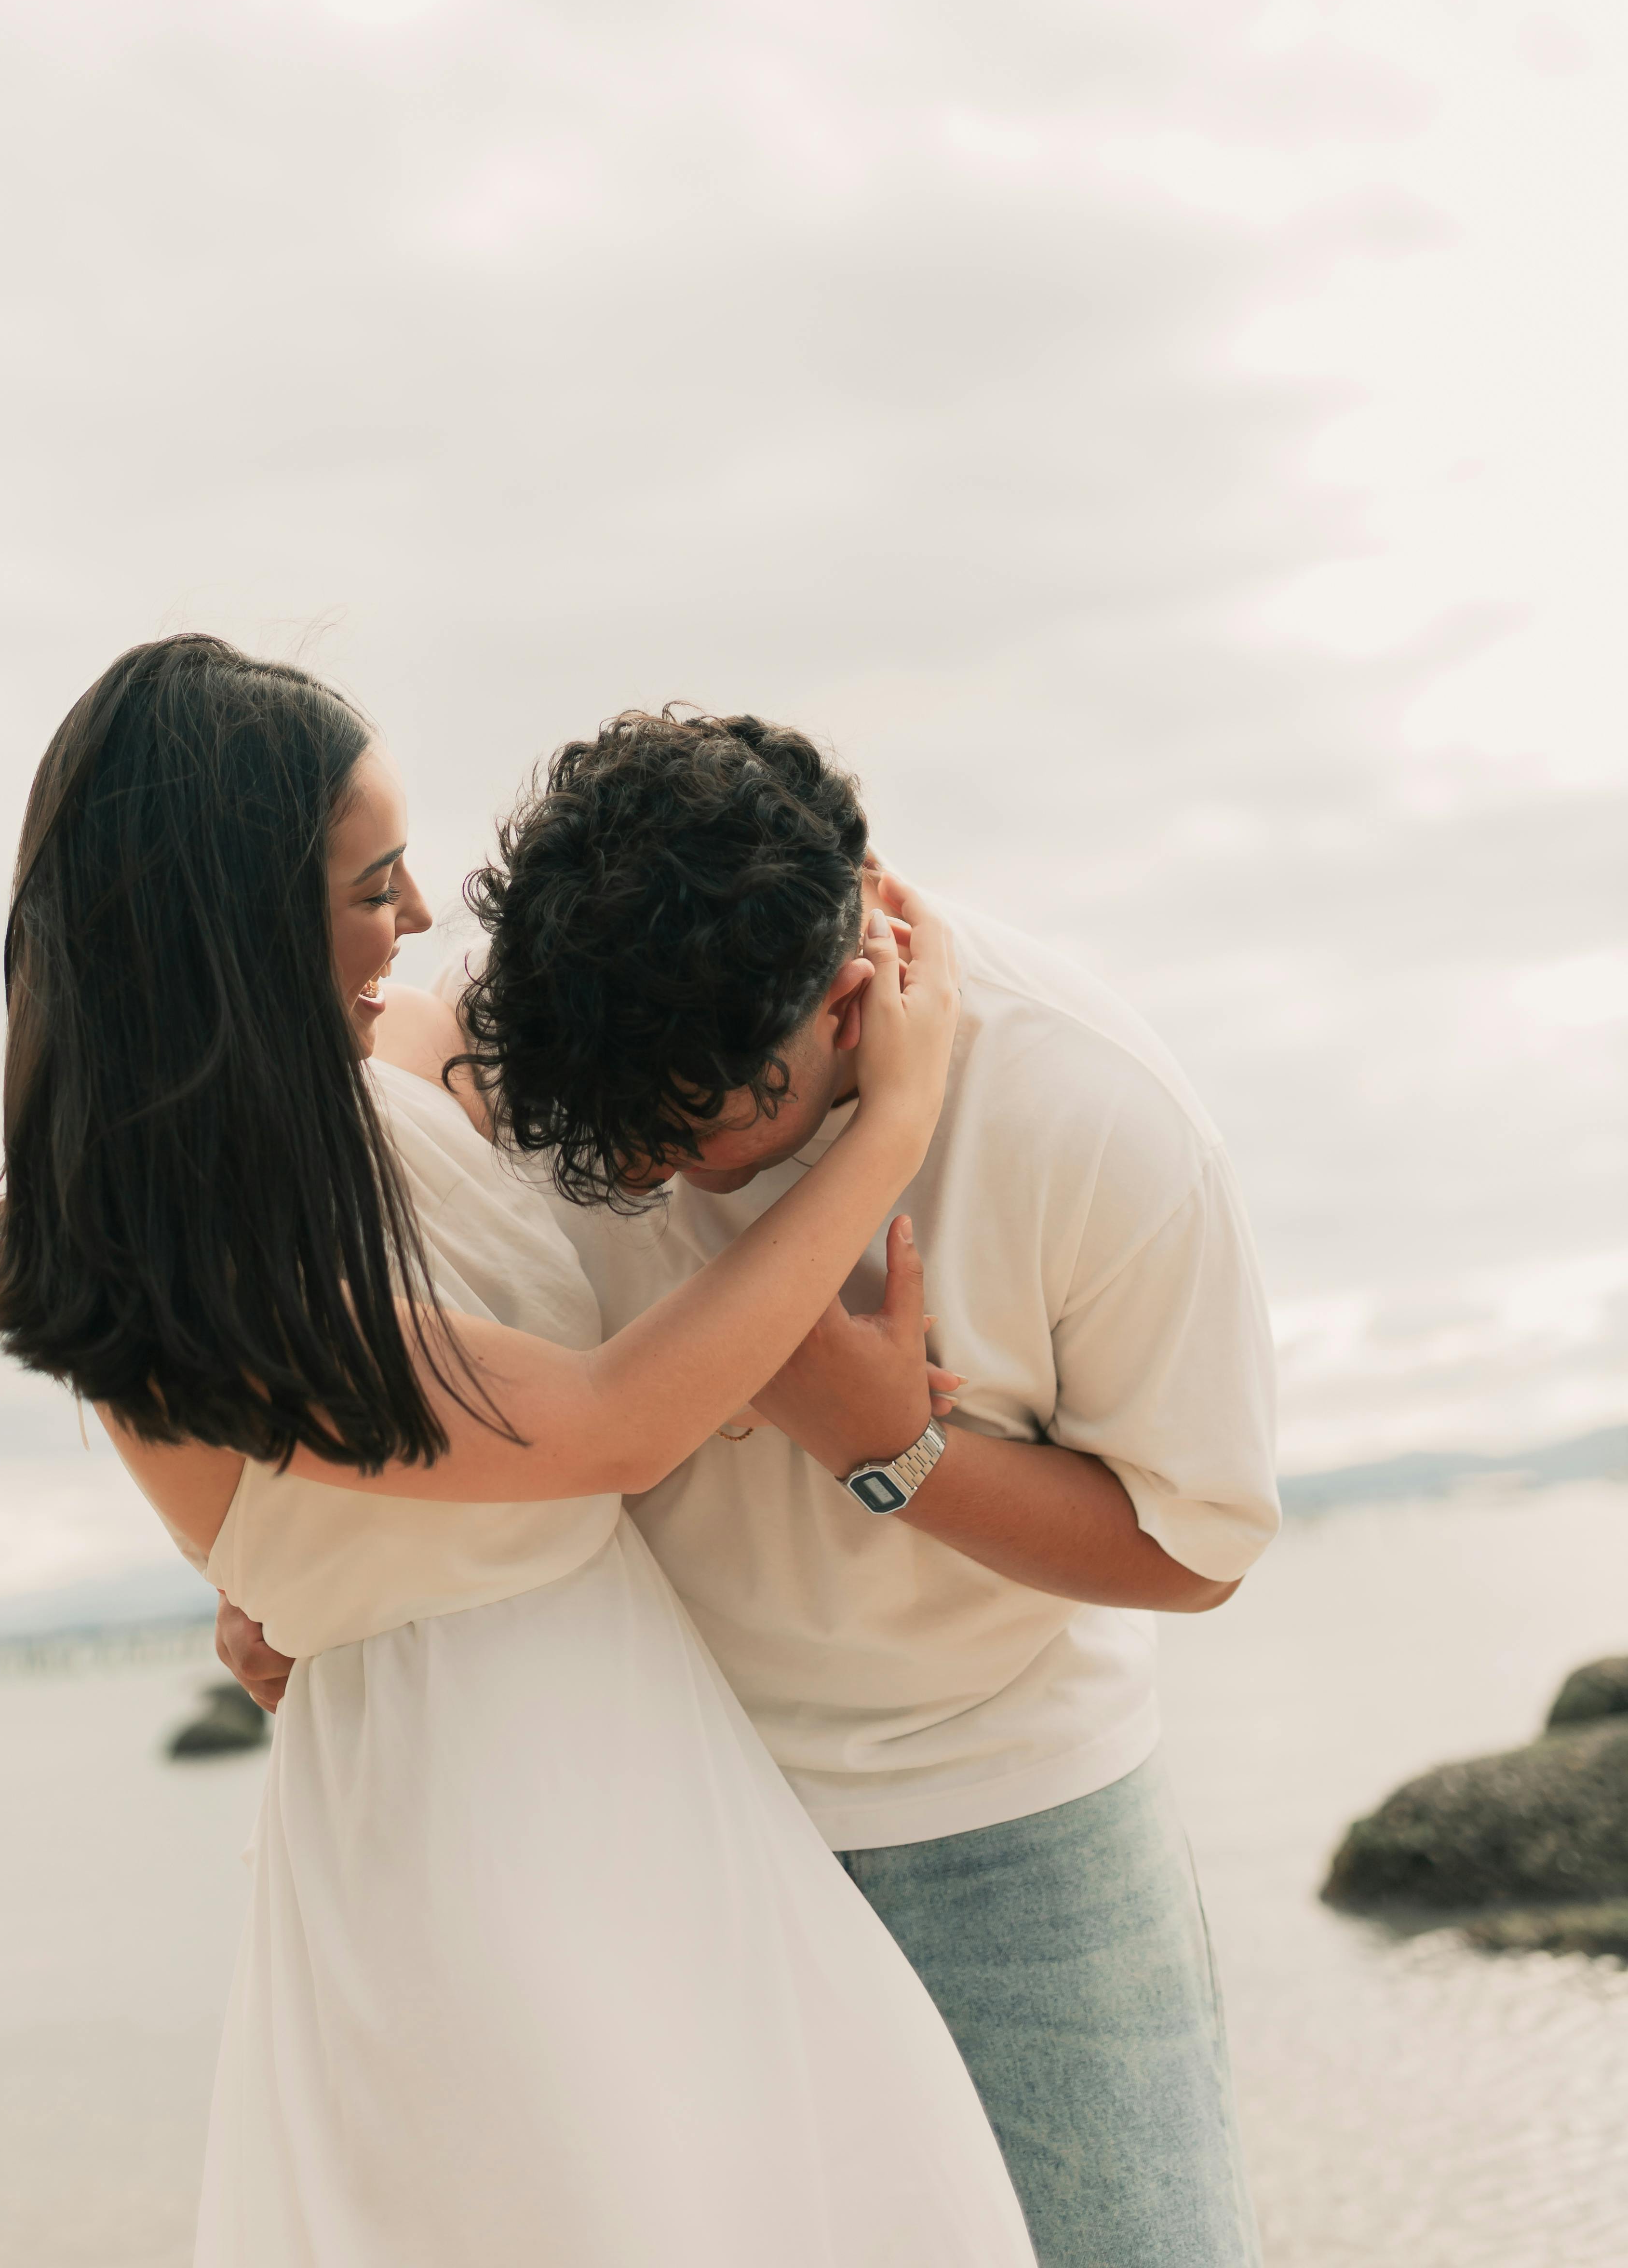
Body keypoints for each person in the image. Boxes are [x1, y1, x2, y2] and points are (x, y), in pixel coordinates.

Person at [0, 639, 1035, 2268]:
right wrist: (893, 1117)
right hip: (472, 1831)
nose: (416, 915)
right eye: (369, 887)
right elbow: (603, 1425)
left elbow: (627, 1039)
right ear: (230, 932)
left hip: (648, 1748)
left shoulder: (388, 1058)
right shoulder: (184, 1268)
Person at [220, 708, 1280, 2268]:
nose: (641, 1173)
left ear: (849, 1002)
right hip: (643, 1812)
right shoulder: (538, 1028)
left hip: (1006, 1823)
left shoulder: (1090, 1114)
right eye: (604, 1135)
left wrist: (895, 1452)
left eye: (693, 1135)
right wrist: (305, 1573)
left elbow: (1194, 1551)